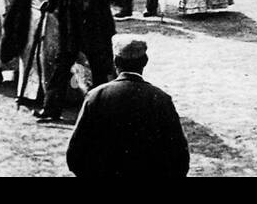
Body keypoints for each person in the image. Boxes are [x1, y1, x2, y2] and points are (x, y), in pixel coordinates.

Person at [66, 37, 190, 178]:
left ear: (115, 62)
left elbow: (75, 154)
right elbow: (180, 156)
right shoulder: (161, 98)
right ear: (145, 61)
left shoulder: (95, 96)